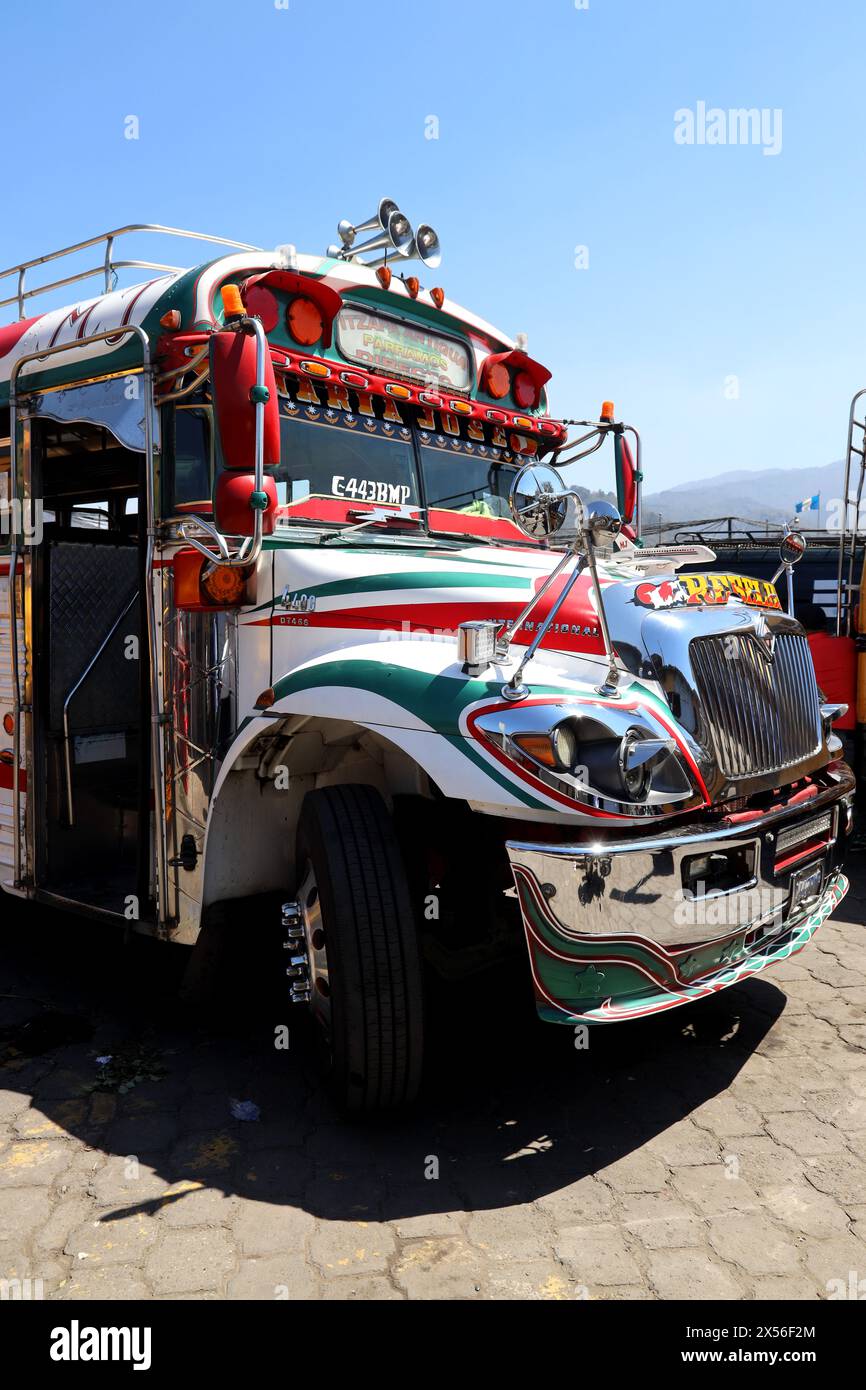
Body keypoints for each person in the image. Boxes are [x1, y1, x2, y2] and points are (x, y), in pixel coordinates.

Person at [796, 602, 857, 767]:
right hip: (851, 727)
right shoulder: (848, 645)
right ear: (824, 624)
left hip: (815, 732)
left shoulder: (798, 651)